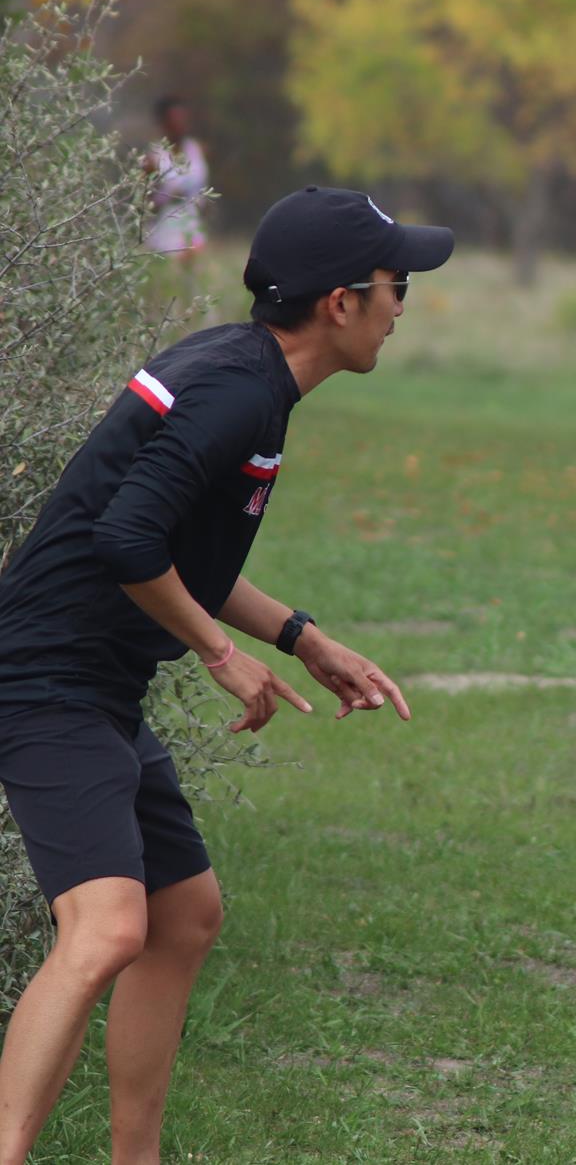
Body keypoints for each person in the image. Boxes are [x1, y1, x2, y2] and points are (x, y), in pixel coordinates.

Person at [0, 186, 455, 1165]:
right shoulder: (239, 392)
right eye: (398, 285)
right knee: (105, 929)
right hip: (45, 678)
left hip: (96, 681)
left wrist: (299, 636)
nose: (401, 306)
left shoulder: (245, 373)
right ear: (342, 301)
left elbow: (169, 544)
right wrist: (217, 651)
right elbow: (126, 539)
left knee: (183, 914)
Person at [143, 95, 209, 260]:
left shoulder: (197, 150)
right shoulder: (154, 158)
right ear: (164, 123)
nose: (180, 124)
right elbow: (145, 203)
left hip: (192, 224)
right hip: (165, 229)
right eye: (174, 120)